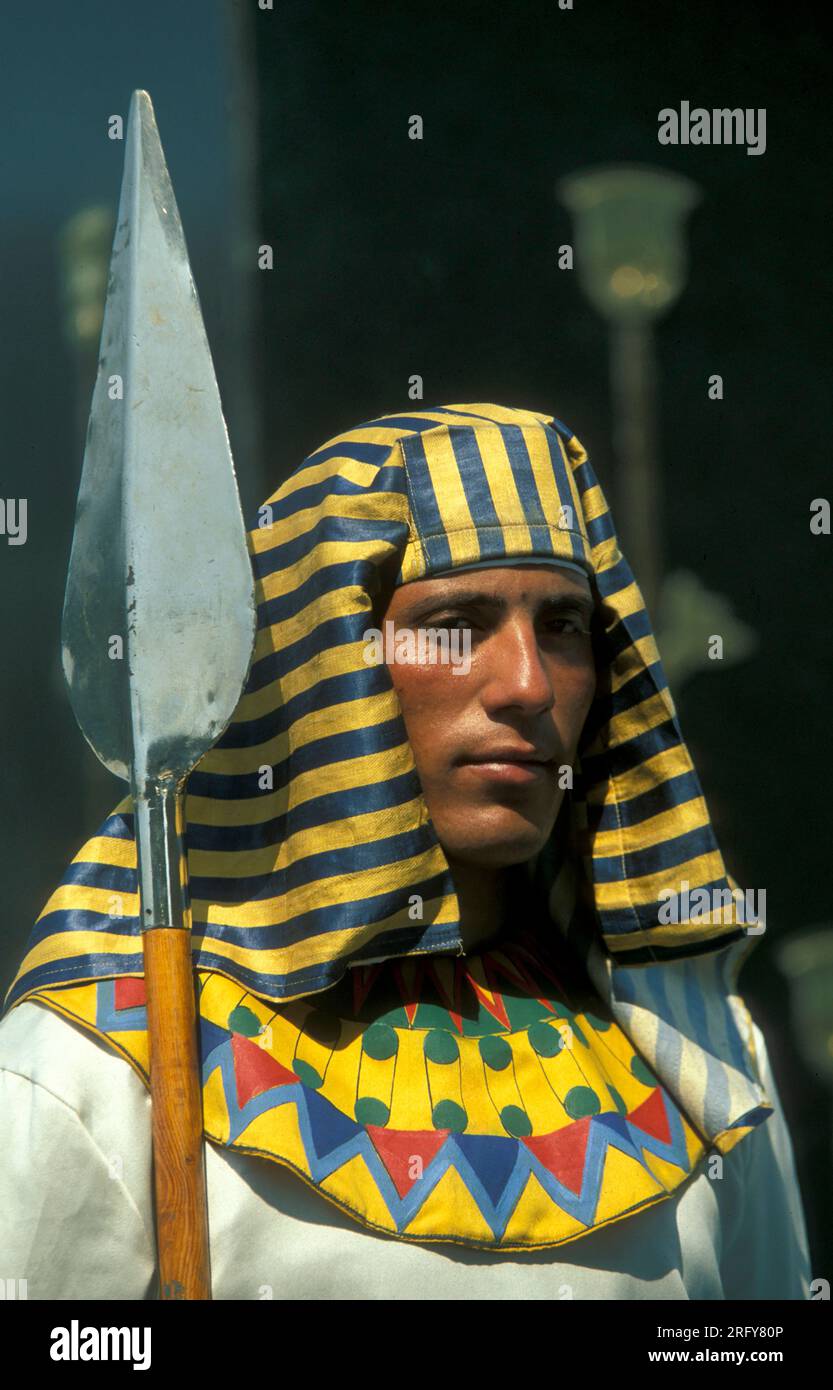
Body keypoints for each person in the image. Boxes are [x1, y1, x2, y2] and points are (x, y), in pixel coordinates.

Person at [0, 401, 812, 1299]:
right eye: (455, 624)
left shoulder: (697, 1052)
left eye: (563, 627)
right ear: (325, 665)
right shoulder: (108, 1066)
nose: (528, 685)